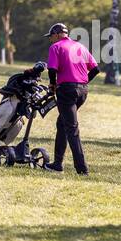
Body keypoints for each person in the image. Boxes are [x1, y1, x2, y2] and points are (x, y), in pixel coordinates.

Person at [43, 22, 99, 174]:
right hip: (82, 91)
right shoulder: (80, 47)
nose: (50, 39)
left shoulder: (55, 47)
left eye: (51, 36)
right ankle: (57, 164)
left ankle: (82, 169)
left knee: (71, 128)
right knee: (62, 123)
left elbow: (52, 70)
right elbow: (96, 69)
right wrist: (82, 82)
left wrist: (52, 85)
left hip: (66, 90)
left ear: (57, 35)